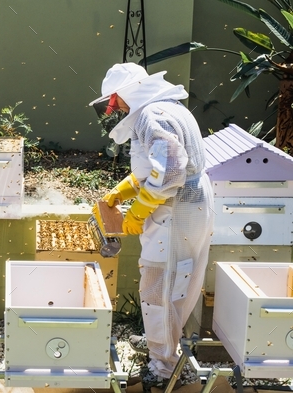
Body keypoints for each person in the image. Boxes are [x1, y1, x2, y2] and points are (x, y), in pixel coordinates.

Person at [89, 63, 214, 391]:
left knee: (159, 285)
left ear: (127, 93)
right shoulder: (160, 110)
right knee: (168, 281)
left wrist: (138, 212)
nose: (113, 109)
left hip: (178, 209)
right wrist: (124, 190)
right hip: (184, 203)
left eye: (114, 101)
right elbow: (158, 166)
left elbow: (170, 172)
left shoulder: (150, 116)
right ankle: (163, 343)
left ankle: (163, 366)